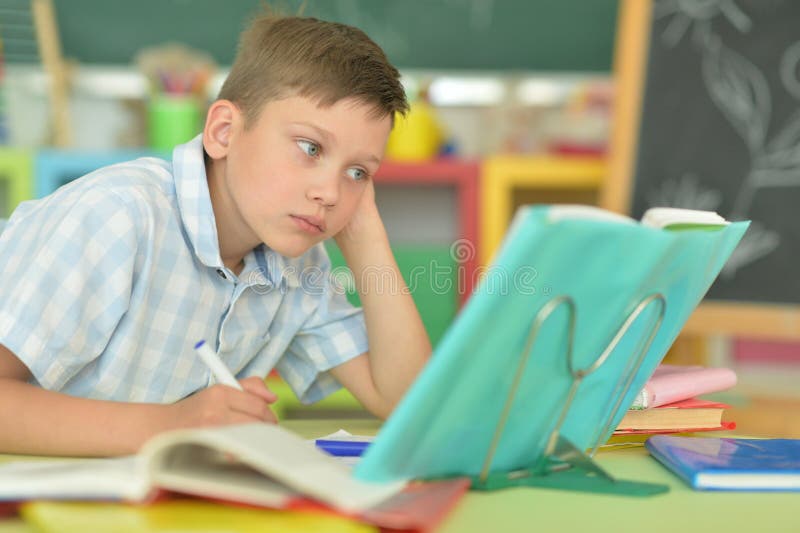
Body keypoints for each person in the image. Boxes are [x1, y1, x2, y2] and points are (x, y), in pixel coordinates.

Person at [0, 13, 431, 456]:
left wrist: (367, 238)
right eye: (310, 148)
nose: (330, 192)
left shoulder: (298, 266)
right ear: (224, 132)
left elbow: (410, 405)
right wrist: (174, 425)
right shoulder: (118, 216)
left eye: (358, 172)